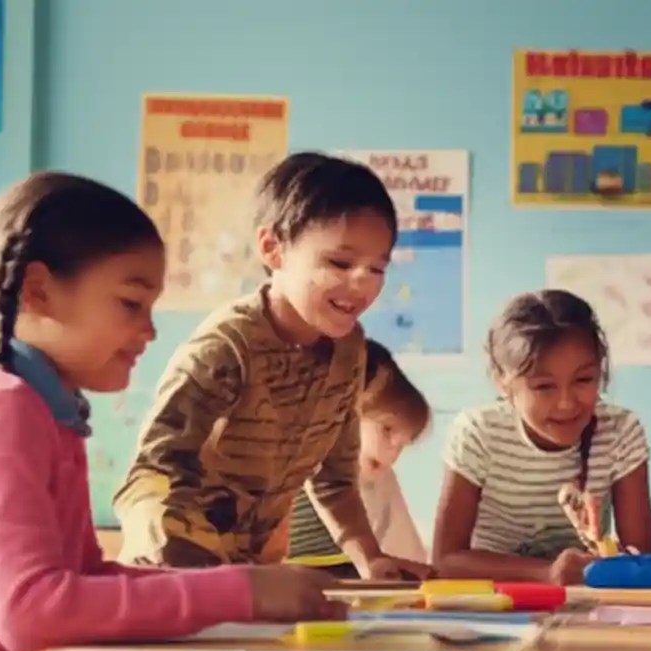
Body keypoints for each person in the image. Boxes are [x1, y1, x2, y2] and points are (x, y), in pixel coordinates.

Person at [0, 173, 342, 651]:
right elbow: (30, 611)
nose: (148, 331)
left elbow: (86, 577)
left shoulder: (47, 411)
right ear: (38, 291)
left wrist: (252, 586)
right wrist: (240, 591)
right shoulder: (6, 406)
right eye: (130, 303)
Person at [113, 152, 427, 580]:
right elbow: (153, 472)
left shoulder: (350, 349)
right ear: (272, 248)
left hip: (255, 569)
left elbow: (335, 480)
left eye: (377, 268)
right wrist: (188, 574)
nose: (362, 283)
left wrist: (370, 560)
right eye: (339, 262)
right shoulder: (226, 347)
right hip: (175, 570)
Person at [432, 289, 651, 584]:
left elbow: (641, 557)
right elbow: (445, 561)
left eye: (584, 380)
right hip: (494, 600)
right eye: (543, 386)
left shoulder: (620, 431)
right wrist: (546, 573)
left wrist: (607, 563)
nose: (566, 403)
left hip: (583, 599)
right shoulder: (478, 433)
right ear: (502, 380)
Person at [286, 338, 433, 568]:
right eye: (386, 430)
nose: (393, 451)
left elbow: (405, 548)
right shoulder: (282, 465)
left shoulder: (381, 480)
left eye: (402, 445)